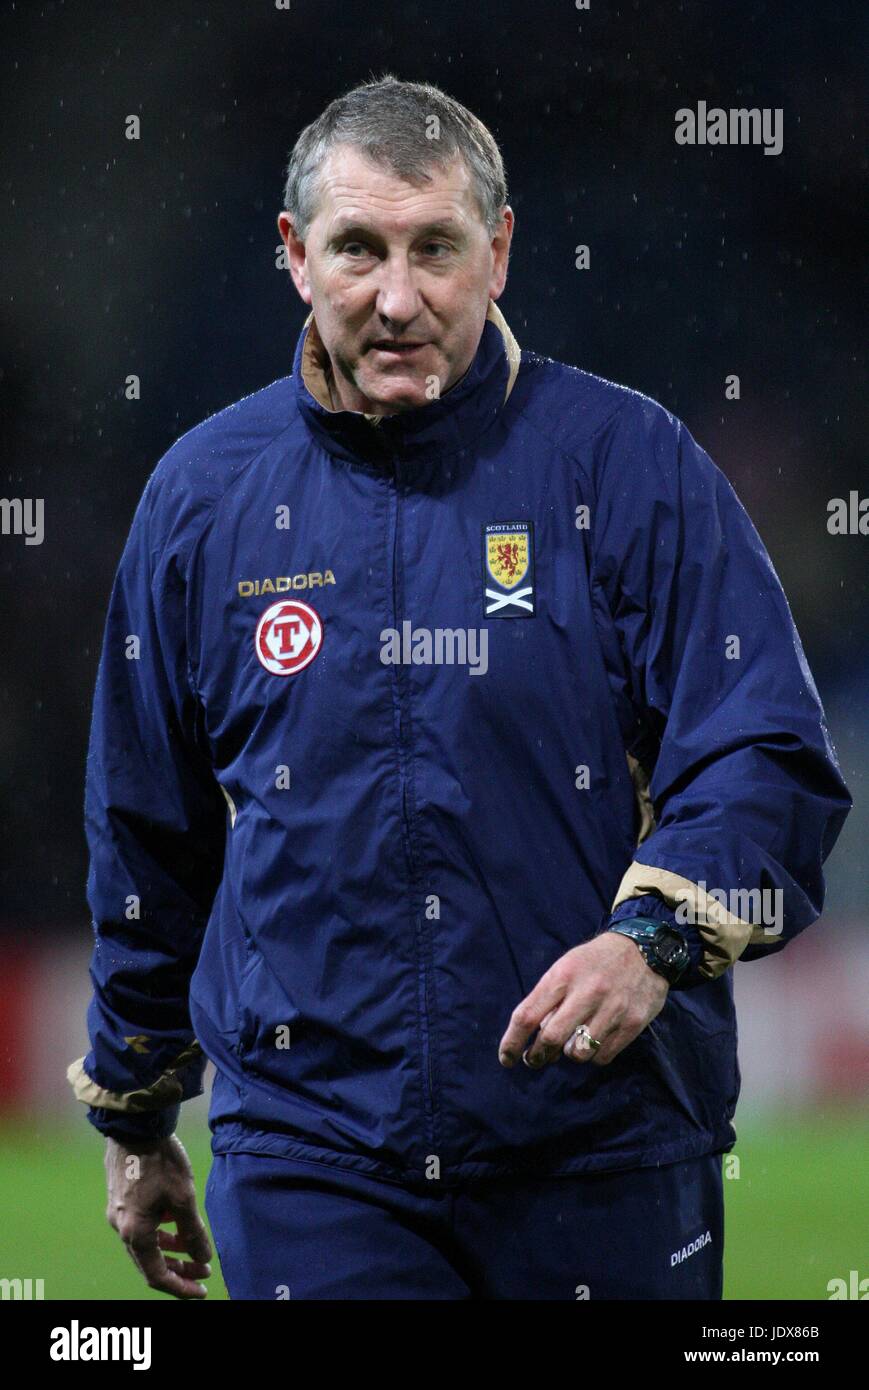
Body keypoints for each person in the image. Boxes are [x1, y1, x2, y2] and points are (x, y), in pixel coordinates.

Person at [68, 76, 851, 1301]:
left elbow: (763, 751)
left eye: (434, 247)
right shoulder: (200, 497)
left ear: (497, 251)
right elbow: (144, 829)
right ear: (293, 255)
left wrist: (649, 945)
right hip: (311, 1153)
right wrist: (134, 1108)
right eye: (356, 249)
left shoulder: (629, 463)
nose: (395, 298)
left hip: (604, 1143)